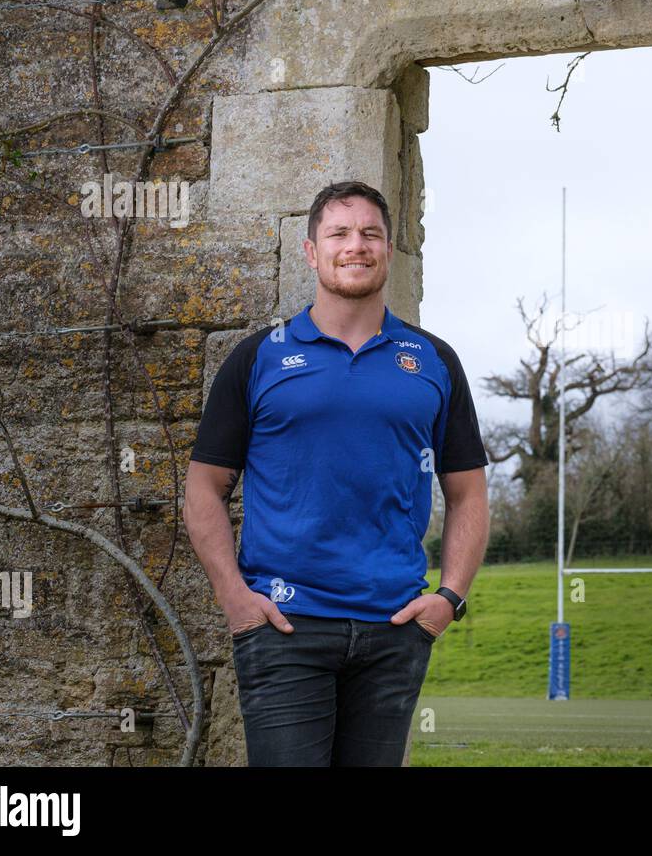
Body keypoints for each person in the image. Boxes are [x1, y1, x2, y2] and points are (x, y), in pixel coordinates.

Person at [182, 180, 490, 766]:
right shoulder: (259, 357)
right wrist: (234, 597)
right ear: (311, 251)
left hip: (394, 629)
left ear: (389, 249)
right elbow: (204, 486)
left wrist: (449, 597)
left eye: (371, 233)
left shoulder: (433, 360)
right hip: (284, 629)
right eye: (339, 234)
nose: (357, 246)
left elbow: (468, 491)